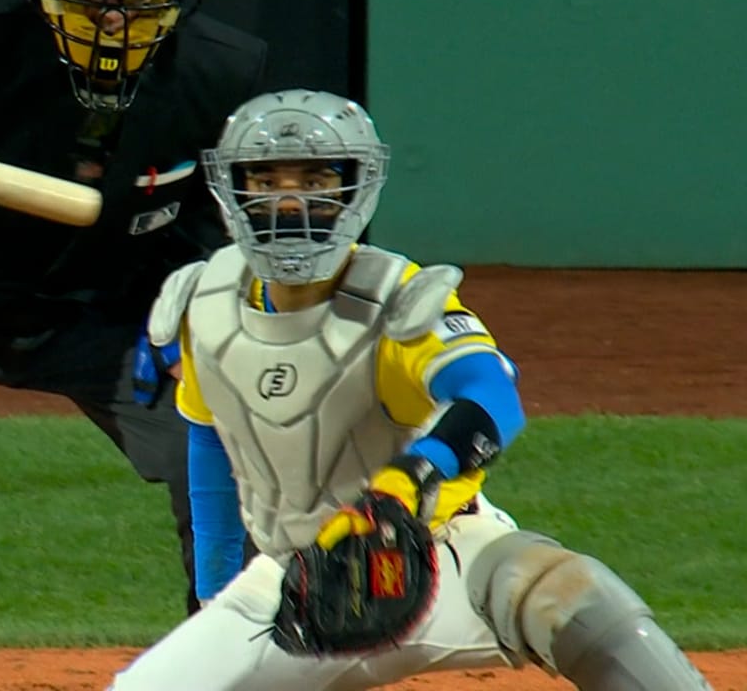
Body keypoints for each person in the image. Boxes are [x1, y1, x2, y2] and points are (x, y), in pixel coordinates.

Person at [108, 89, 713, 690]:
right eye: (266, 182)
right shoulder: (205, 304)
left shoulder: (398, 300)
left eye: (317, 180)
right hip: (297, 589)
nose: (290, 203)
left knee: (571, 594)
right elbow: (212, 447)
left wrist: (412, 476)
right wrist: (215, 600)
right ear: (233, 191)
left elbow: (492, 394)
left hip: (442, 553)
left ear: (355, 188)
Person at [0, 0, 269, 616]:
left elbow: (214, 222)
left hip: (105, 315)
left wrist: (188, 316)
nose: (114, 15)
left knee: (217, 442)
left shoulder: (218, 71)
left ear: (173, 1)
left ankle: (227, 640)